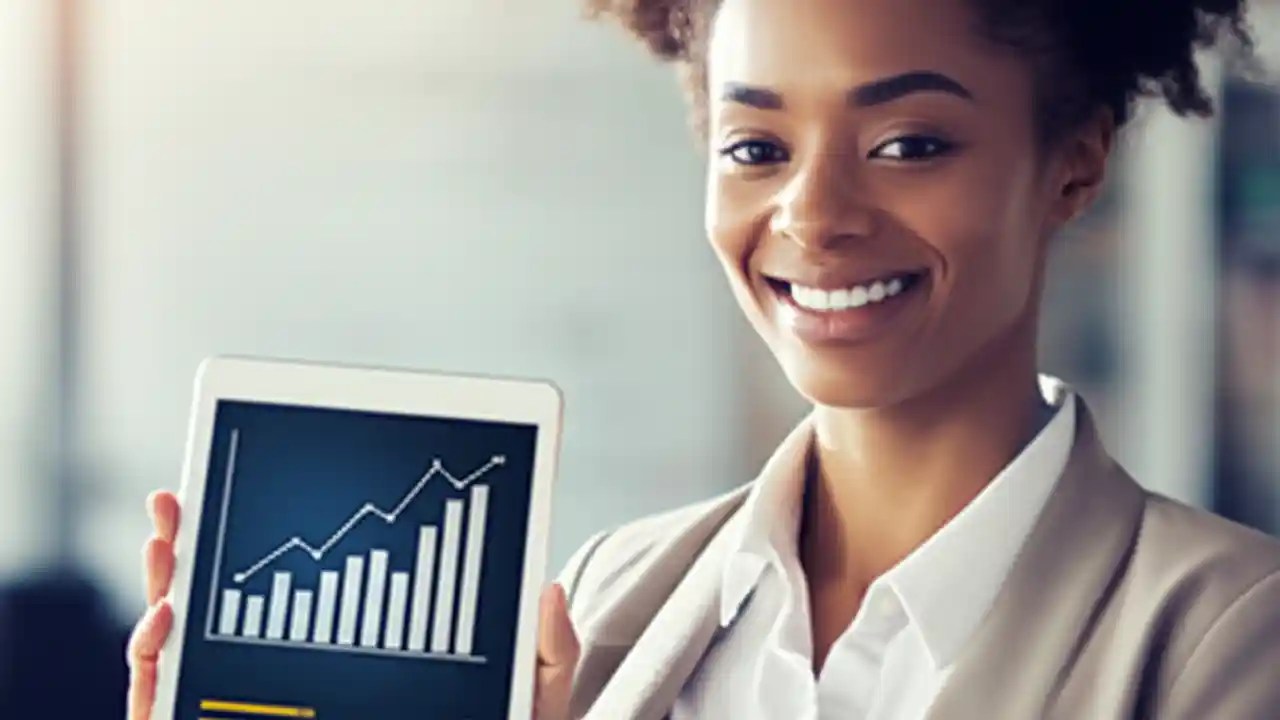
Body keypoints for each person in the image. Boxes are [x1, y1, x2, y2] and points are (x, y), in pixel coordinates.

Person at [128, 0, 1280, 718]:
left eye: (906, 144)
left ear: (1073, 165)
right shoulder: (604, 596)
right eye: (755, 147)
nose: (811, 213)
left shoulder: (1228, 637)